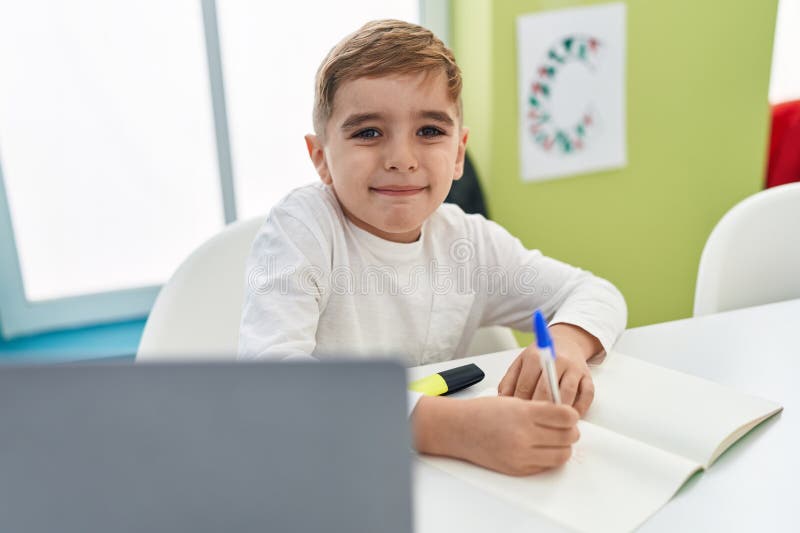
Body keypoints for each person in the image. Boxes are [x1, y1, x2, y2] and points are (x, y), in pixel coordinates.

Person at [238, 19, 626, 476]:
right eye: (368, 132)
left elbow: (596, 293)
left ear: (459, 153)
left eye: (429, 131)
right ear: (321, 157)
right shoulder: (303, 229)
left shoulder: (468, 243)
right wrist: (448, 429)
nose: (402, 158)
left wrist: (565, 346)